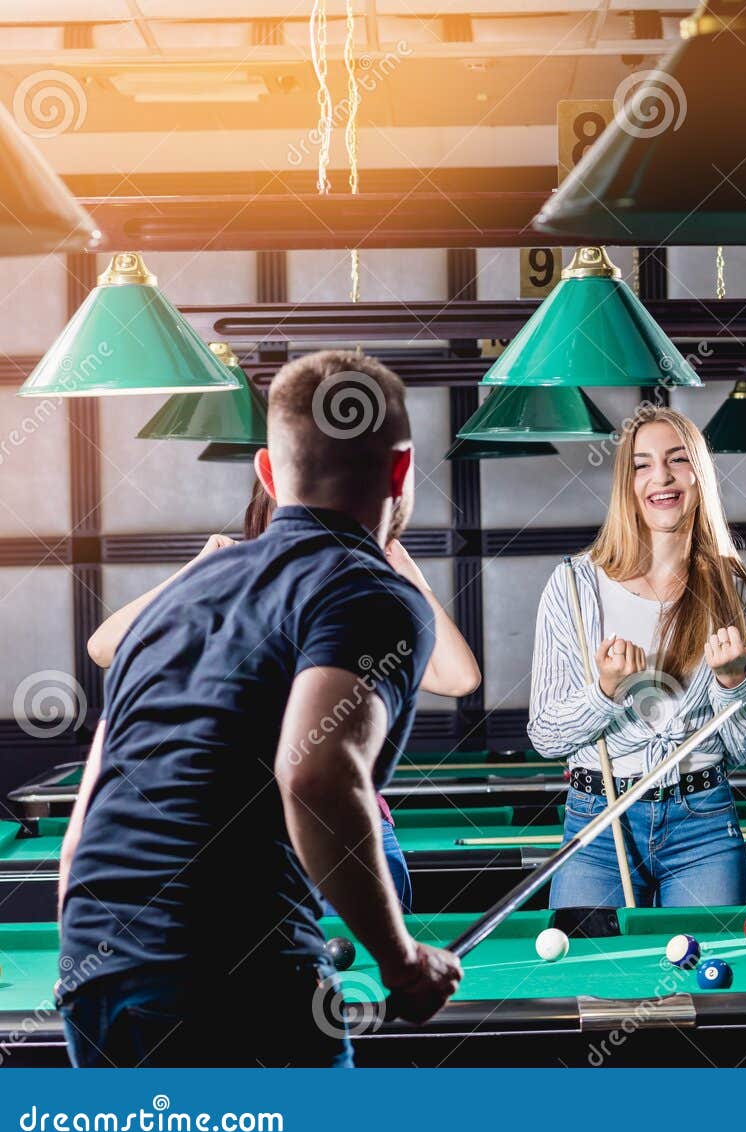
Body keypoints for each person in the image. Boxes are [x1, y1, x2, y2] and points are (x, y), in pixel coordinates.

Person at [56, 350, 462, 1067]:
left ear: (269, 476)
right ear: (401, 472)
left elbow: (89, 806)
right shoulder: (375, 592)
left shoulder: (175, 599)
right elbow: (314, 775)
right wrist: (400, 962)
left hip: (95, 973)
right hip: (234, 975)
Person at [84, 480, 481, 913]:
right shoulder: (229, 596)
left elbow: (459, 678)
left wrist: (407, 571)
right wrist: (195, 571)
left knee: (349, 978)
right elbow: (105, 646)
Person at [528, 407, 746, 909]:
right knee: (593, 985)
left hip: (703, 824)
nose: (661, 477)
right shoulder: (574, 584)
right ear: (626, 482)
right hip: (598, 822)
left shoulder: (730, 589)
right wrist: (605, 693)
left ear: (698, 475)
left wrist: (731, 684)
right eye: (642, 464)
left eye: (677, 460)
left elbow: (743, 749)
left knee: (700, 987)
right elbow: (546, 736)